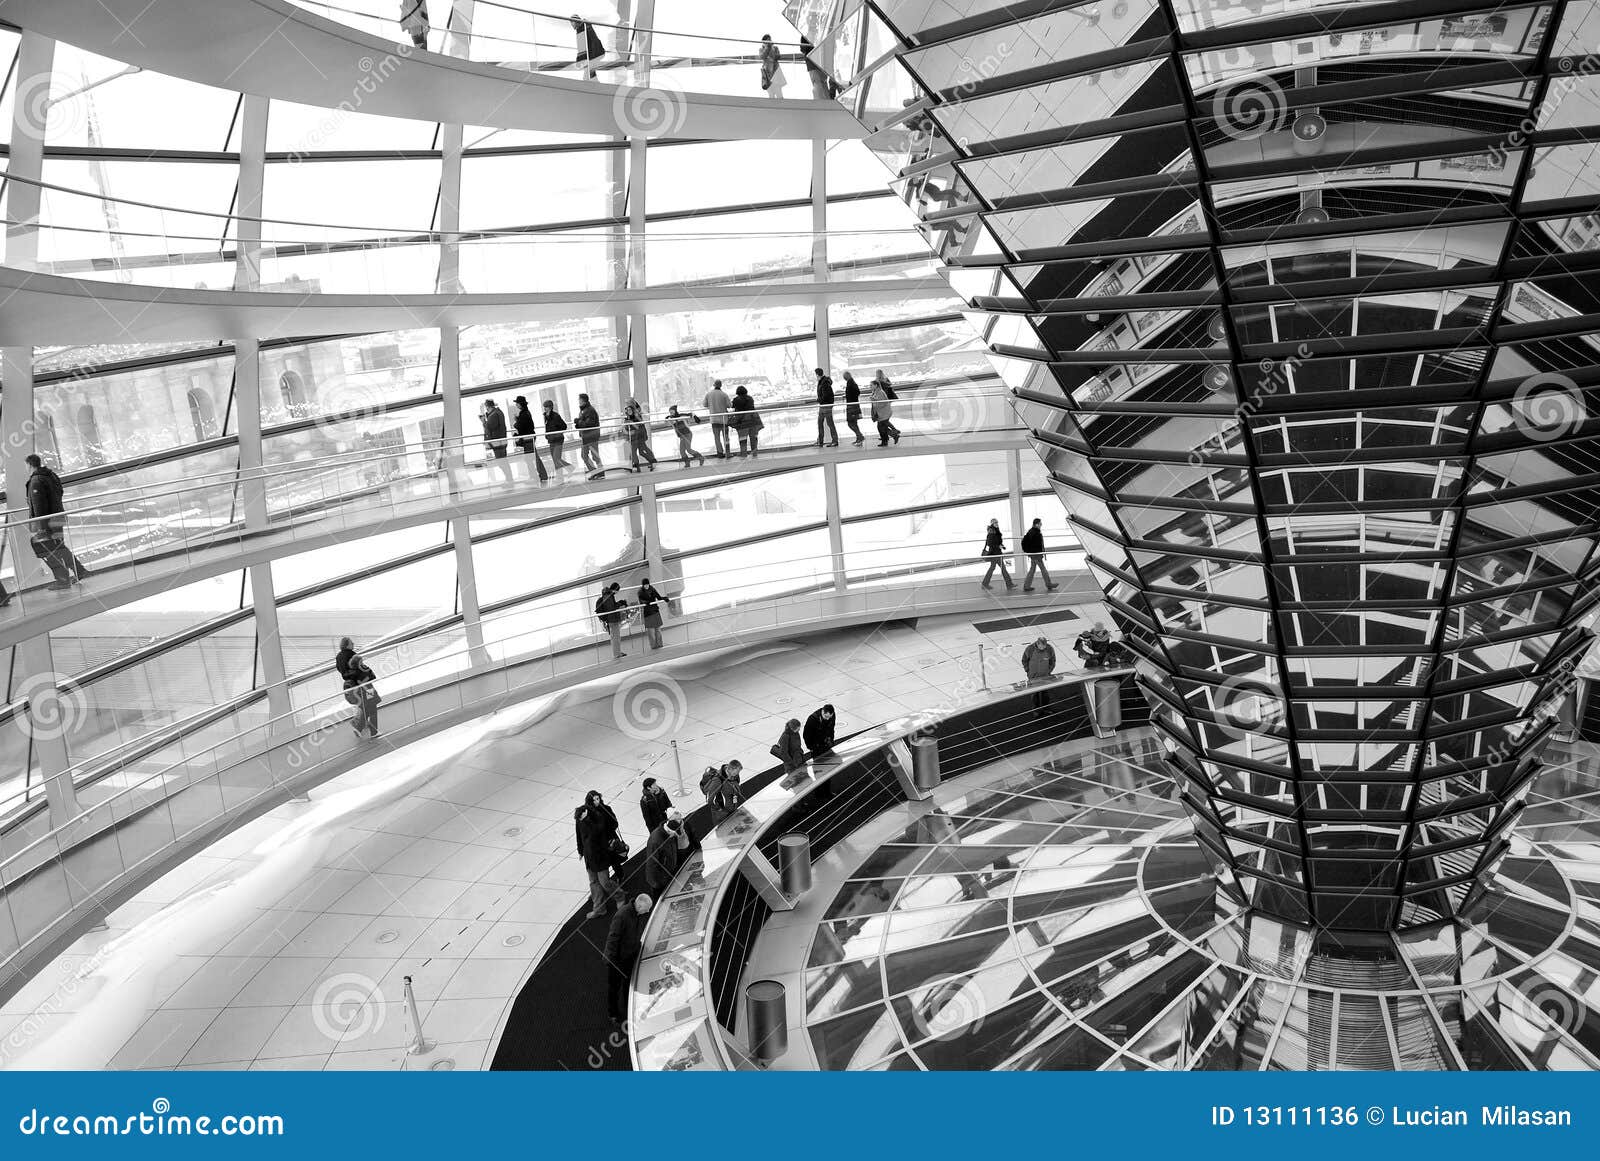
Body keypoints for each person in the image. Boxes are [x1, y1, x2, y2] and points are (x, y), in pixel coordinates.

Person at [25, 454, 89, 589]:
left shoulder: (36, 480)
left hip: (47, 521)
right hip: (58, 517)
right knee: (57, 546)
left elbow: (39, 506)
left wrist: (41, 528)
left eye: (26, 465)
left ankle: (63, 579)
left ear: (30, 465)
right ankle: (77, 571)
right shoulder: (51, 476)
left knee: (44, 547)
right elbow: (60, 492)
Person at [575, 790, 627, 919]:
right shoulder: (580, 818)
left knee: (604, 882)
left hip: (600, 855)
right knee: (593, 882)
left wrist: (587, 820)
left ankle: (620, 896)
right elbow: (579, 836)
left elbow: (597, 831)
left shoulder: (597, 817)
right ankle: (599, 908)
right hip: (589, 856)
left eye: (582, 818)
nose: (580, 820)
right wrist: (580, 851)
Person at [603, 893, 652, 1024]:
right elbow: (613, 939)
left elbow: (634, 933)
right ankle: (613, 1013)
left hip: (629, 955)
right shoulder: (622, 916)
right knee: (614, 987)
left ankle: (627, 1008)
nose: (647, 912)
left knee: (627, 983)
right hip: (617, 960)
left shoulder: (636, 914)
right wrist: (612, 961)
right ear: (639, 905)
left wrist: (637, 946)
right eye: (646, 909)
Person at [335, 636, 381, 739]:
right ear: (347, 645)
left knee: (365, 705)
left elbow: (340, 670)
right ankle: (372, 731)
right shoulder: (352, 655)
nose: (353, 644)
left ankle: (359, 725)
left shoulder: (338, 657)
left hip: (352, 686)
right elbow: (362, 669)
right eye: (351, 643)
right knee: (372, 704)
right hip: (365, 685)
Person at [644, 811, 688, 898]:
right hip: (659, 882)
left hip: (669, 874)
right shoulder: (655, 841)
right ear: (670, 831)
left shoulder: (671, 833)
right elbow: (652, 865)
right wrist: (659, 883)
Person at [512, 396, 549, 483]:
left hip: (528, 438)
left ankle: (536, 477)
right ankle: (541, 476)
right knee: (532, 458)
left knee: (529, 458)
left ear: (521, 404)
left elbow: (522, 426)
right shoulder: (525, 413)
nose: (516, 404)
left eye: (517, 403)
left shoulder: (524, 413)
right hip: (529, 437)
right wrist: (518, 420)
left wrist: (516, 422)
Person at [1021, 517, 1060, 592]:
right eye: (1040, 523)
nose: (1041, 525)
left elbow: (1029, 542)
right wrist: (1032, 551)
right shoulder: (1034, 532)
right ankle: (1049, 584)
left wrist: (1030, 551)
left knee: (1032, 570)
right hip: (1036, 555)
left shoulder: (1033, 531)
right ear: (1036, 524)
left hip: (1035, 554)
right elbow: (1031, 543)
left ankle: (1026, 586)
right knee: (1043, 569)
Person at [1022, 635, 1057, 716]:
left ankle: (1046, 708)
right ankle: (1036, 710)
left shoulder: (1049, 649)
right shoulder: (1030, 649)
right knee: (1035, 694)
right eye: (1042, 646)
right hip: (1033, 677)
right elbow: (1024, 660)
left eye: (1045, 646)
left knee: (1045, 693)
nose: (1044, 648)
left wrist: (1049, 671)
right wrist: (1028, 671)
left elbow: (1053, 661)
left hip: (1045, 676)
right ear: (1038, 644)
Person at [481, 398, 513, 482]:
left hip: (497, 442)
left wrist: (483, 421)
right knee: (504, 461)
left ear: (487, 406)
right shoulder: (499, 412)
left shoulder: (493, 415)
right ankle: (509, 479)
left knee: (501, 462)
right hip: (502, 440)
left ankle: (509, 480)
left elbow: (489, 427)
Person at [637, 575, 672, 651]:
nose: (646, 586)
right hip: (648, 613)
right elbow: (641, 601)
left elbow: (658, 597)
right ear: (643, 585)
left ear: (649, 584)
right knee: (651, 631)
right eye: (645, 585)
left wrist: (664, 598)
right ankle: (653, 646)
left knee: (658, 630)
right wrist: (646, 602)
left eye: (647, 584)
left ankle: (660, 644)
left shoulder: (652, 588)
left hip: (655, 611)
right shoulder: (640, 592)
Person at [596, 581, 629, 660]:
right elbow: (611, 608)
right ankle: (617, 654)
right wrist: (620, 603)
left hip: (612, 619)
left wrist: (618, 603)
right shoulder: (608, 596)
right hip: (612, 620)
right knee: (615, 637)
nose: (617, 592)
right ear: (615, 589)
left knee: (616, 637)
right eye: (617, 590)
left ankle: (618, 652)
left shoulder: (608, 595)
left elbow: (612, 606)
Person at [980, 517, 1015, 591]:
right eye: (995, 523)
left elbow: (997, 541)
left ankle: (985, 584)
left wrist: (1001, 545)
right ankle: (1009, 584)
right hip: (995, 554)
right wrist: (998, 546)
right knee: (1003, 568)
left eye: (997, 522)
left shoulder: (996, 531)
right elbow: (990, 544)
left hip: (996, 553)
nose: (997, 524)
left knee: (992, 568)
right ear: (992, 524)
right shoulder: (991, 532)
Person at [622, 399, 657, 471]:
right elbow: (626, 428)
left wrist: (631, 423)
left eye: (628, 403)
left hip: (639, 435)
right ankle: (651, 461)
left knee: (637, 451)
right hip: (635, 436)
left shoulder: (636, 413)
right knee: (639, 451)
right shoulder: (630, 416)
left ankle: (636, 465)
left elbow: (639, 424)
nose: (626, 404)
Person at [799, 34, 836, 100]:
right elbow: (803, 48)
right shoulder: (813, 34)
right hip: (818, 62)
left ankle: (823, 102)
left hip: (816, 63)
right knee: (820, 82)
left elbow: (802, 49)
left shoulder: (811, 34)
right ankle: (824, 102)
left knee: (819, 82)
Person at [730, 385, 762, 457]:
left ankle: (743, 453)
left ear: (737, 392)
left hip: (742, 422)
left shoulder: (736, 400)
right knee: (753, 437)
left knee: (743, 438)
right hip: (752, 420)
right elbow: (751, 407)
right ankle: (754, 453)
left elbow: (732, 406)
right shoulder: (750, 398)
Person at [869, 375, 901, 446]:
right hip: (882, 413)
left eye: (871, 385)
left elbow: (882, 403)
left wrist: (874, 400)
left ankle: (891, 437)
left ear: (876, 385)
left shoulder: (880, 392)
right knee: (882, 427)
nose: (870, 387)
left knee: (881, 428)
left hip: (884, 413)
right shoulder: (875, 392)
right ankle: (888, 439)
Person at [575, 393, 603, 474]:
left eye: (579, 399)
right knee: (584, 455)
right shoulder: (583, 410)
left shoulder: (590, 410)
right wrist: (578, 424)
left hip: (592, 436)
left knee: (595, 456)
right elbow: (583, 424)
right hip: (586, 437)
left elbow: (588, 424)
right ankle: (594, 471)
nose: (578, 401)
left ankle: (600, 472)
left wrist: (578, 422)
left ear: (584, 401)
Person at [703, 379, 731, 458]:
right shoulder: (724, 394)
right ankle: (728, 453)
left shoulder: (708, 394)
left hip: (714, 419)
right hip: (723, 419)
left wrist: (711, 406)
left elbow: (704, 404)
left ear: (714, 385)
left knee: (716, 437)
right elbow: (729, 405)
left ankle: (720, 453)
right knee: (726, 436)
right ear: (721, 386)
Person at [572, 14, 605, 79]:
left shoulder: (581, 29)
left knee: (588, 75)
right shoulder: (585, 26)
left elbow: (581, 47)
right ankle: (596, 86)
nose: (571, 24)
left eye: (572, 22)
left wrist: (578, 61)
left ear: (576, 22)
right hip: (596, 52)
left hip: (593, 54)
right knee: (590, 74)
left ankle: (595, 86)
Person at [814, 367, 838, 447]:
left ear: (817, 375)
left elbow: (826, 395)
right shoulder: (822, 381)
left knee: (829, 423)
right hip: (823, 405)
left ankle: (834, 441)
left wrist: (818, 400)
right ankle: (820, 441)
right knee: (820, 423)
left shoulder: (824, 383)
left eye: (815, 375)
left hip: (826, 405)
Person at [542, 399, 570, 469]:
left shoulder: (556, 416)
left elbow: (564, 426)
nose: (544, 408)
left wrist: (557, 434)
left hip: (558, 440)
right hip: (551, 440)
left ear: (550, 407)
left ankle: (564, 473)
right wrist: (547, 435)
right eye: (544, 407)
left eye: (546, 407)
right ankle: (567, 470)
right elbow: (548, 428)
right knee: (555, 459)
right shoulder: (546, 417)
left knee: (556, 458)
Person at [842, 370, 865, 446]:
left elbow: (856, 392)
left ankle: (860, 436)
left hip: (852, 406)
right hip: (853, 405)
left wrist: (849, 396)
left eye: (844, 377)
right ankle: (859, 438)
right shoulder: (851, 382)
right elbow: (856, 392)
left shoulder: (851, 383)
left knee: (850, 423)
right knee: (854, 423)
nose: (844, 378)